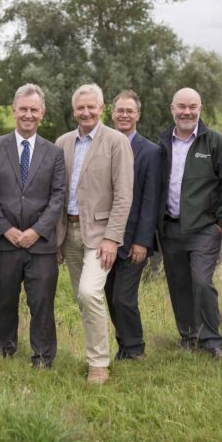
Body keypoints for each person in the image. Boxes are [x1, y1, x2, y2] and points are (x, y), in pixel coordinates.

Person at [0, 84, 66, 368]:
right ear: (13, 111)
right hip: (4, 241)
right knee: (4, 298)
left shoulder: (54, 153)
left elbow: (58, 197)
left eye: (34, 110)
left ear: (42, 113)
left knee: (41, 302)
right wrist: (6, 228)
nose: (28, 115)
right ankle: (4, 350)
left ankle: (43, 356)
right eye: (23, 109)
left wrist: (37, 231)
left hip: (41, 243)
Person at [56, 83, 134, 384]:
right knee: (82, 297)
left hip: (100, 234)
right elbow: (56, 193)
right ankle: (93, 354)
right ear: (74, 110)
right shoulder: (62, 142)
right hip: (69, 231)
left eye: (91, 107)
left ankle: (99, 363)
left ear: (101, 109)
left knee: (90, 292)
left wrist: (113, 237)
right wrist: (57, 238)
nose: (85, 112)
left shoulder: (116, 142)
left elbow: (124, 195)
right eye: (80, 107)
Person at [157, 87, 222, 359]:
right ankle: (188, 336)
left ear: (200, 108)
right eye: (181, 106)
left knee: (201, 282)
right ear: (172, 109)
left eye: (192, 106)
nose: (186, 112)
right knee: (178, 284)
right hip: (170, 227)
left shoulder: (215, 142)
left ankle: (212, 341)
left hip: (204, 229)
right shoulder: (162, 142)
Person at [105, 90, 161, 360]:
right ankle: (123, 345)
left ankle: (135, 348)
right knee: (109, 296)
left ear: (138, 115)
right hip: (105, 239)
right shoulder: (102, 144)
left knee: (123, 298)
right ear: (112, 113)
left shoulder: (150, 152)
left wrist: (142, 241)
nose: (124, 115)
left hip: (133, 240)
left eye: (130, 111)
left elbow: (151, 200)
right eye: (120, 110)